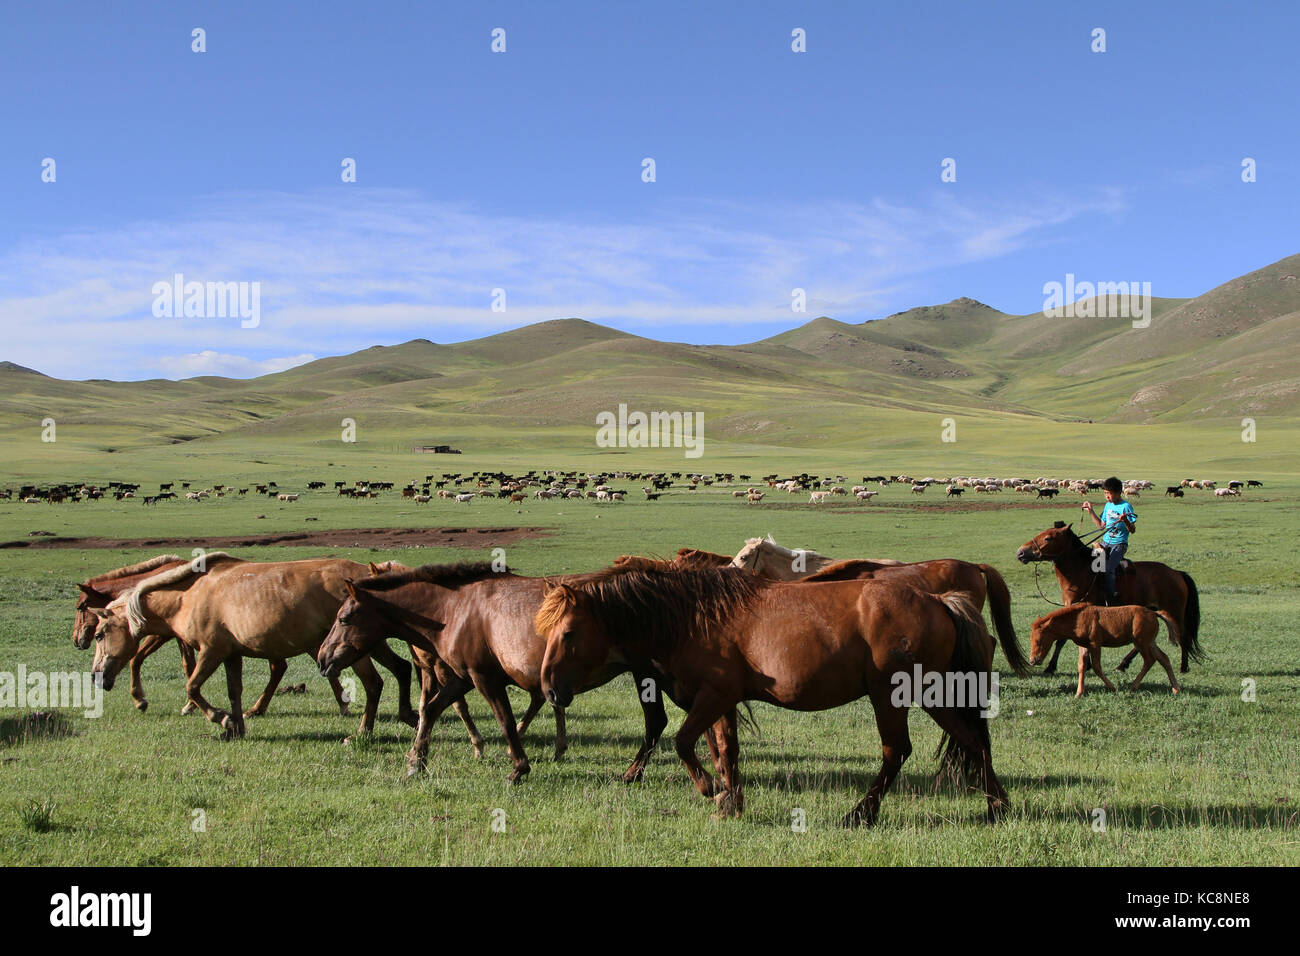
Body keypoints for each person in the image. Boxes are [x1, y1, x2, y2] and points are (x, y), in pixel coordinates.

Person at [1082, 477, 1136, 605]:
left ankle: (1111, 598)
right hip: (1105, 543)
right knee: (1095, 567)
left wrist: (1126, 521)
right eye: (1105, 493)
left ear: (1118, 493)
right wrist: (1091, 511)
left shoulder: (1126, 506)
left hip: (1119, 544)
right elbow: (1101, 526)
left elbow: (1132, 530)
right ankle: (1096, 594)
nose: (1107, 496)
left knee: (1108, 569)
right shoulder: (1108, 505)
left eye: (1109, 493)